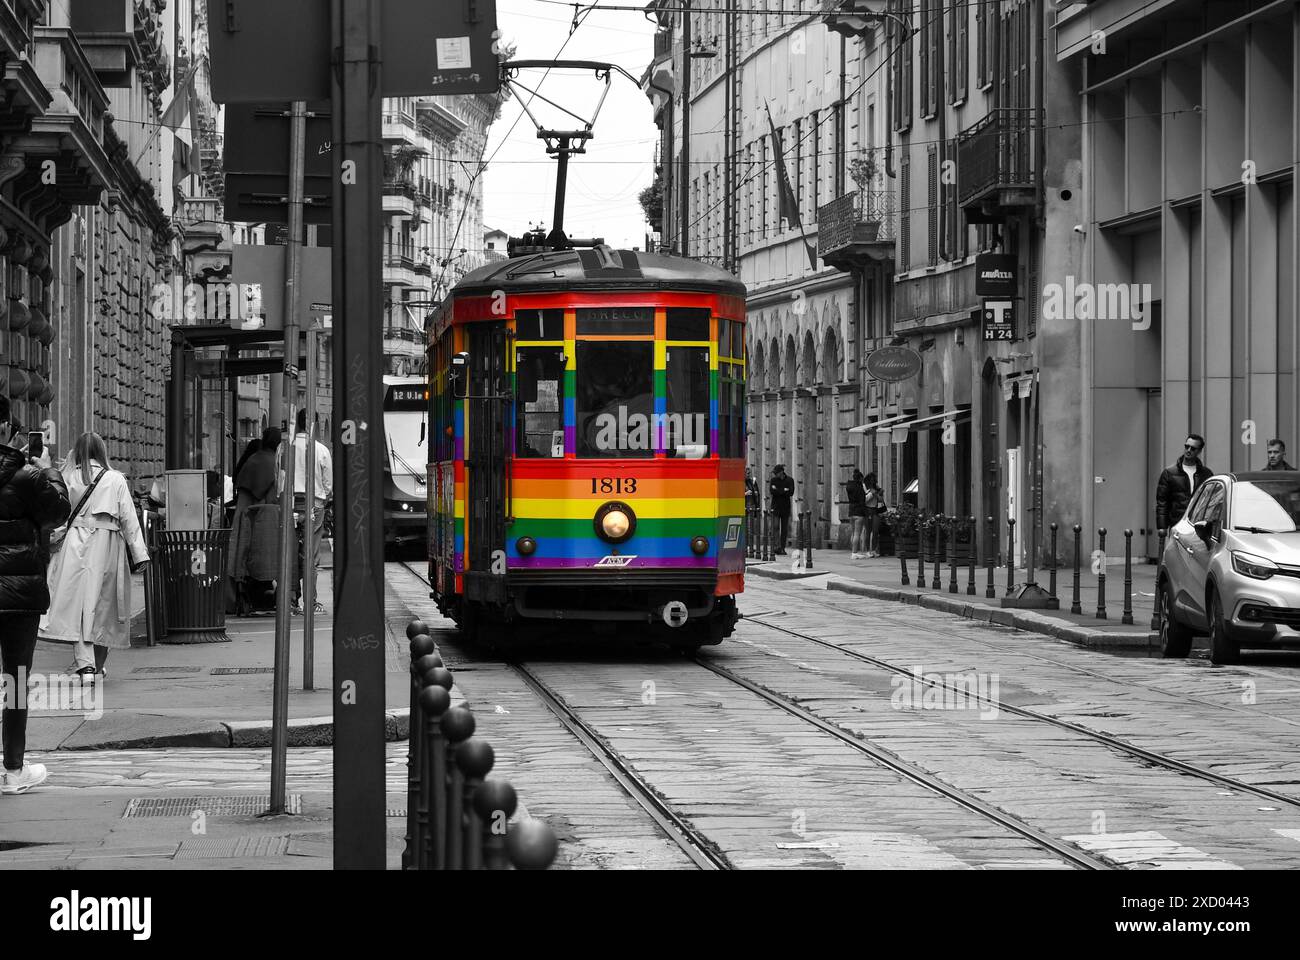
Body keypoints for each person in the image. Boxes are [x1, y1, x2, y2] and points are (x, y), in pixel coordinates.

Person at [39, 433, 149, 683]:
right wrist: (139, 554)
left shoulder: (68, 475)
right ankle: (95, 665)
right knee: (105, 606)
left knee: (79, 606)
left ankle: (87, 665)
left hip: (74, 543)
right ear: (102, 451)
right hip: (107, 544)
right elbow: (129, 519)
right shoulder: (115, 479)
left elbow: (57, 511)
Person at [0, 400, 69, 794]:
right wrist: (48, 470)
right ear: (8, 426)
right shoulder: (28, 476)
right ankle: (13, 770)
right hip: (20, 591)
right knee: (17, 679)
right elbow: (58, 512)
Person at [282, 409, 333, 614]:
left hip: (290, 503)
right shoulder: (321, 450)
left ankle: (292, 600)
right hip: (314, 505)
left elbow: (280, 479)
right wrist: (324, 497)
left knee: (289, 552)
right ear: (314, 424)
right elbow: (328, 483)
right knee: (310, 555)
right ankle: (311, 602)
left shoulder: (286, 448)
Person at [1155, 433, 1213, 531]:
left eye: (1193, 448)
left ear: (1199, 451)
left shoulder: (1206, 474)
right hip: (1176, 525)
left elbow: (1211, 501)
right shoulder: (1169, 473)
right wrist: (1162, 527)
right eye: (1187, 446)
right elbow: (1162, 503)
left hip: (1198, 528)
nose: (1189, 450)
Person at [769, 464, 794, 555]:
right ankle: (776, 547)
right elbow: (772, 491)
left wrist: (778, 490)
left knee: (784, 529)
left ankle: (782, 547)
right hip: (775, 507)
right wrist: (784, 490)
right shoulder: (773, 480)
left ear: (781, 472)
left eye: (776, 473)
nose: (775, 475)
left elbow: (791, 492)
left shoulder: (790, 480)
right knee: (775, 527)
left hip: (785, 508)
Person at [845, 469, 868, 558]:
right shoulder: (859, 488)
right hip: (859, 512)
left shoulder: (849, 487)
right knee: (857, 533)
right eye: (862, 480)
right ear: (860, 479)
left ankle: (853, 551)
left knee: (853, 533)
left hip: (851, 510)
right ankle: (854, 553)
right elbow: (863, 501)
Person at [863, 472, 884, 558]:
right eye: (871, 480)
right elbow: (864, 500)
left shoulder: (876, 487)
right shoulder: (864, 487)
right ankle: (868, 550)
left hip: (875, 510)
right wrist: (871, 494)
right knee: (868, 531)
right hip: (867, 510)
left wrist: (877, 493)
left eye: (874, 480)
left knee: (875, 531)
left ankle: (874, 549)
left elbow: (881, 500)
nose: (873, 482)